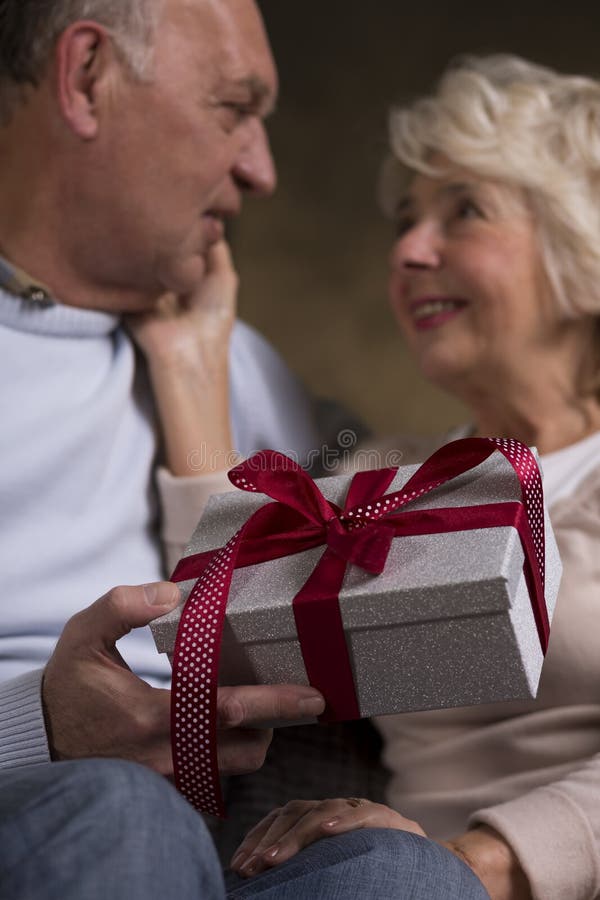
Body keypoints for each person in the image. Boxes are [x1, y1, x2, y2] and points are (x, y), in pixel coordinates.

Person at [184, 56, 600, 899]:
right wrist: (189, 352)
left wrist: (475, 861)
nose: (410, 251)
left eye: (465, 212)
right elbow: (212, 637)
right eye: (406, 221)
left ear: (582, 243)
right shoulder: (380, 481)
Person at [0, 0, 368, 897]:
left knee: (400, 869)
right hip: (66, 816)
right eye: (234, 108)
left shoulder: (250, 368)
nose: (263, 170)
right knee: (127, 820)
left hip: (234, 838)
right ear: (87, 78)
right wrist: (33, 724)